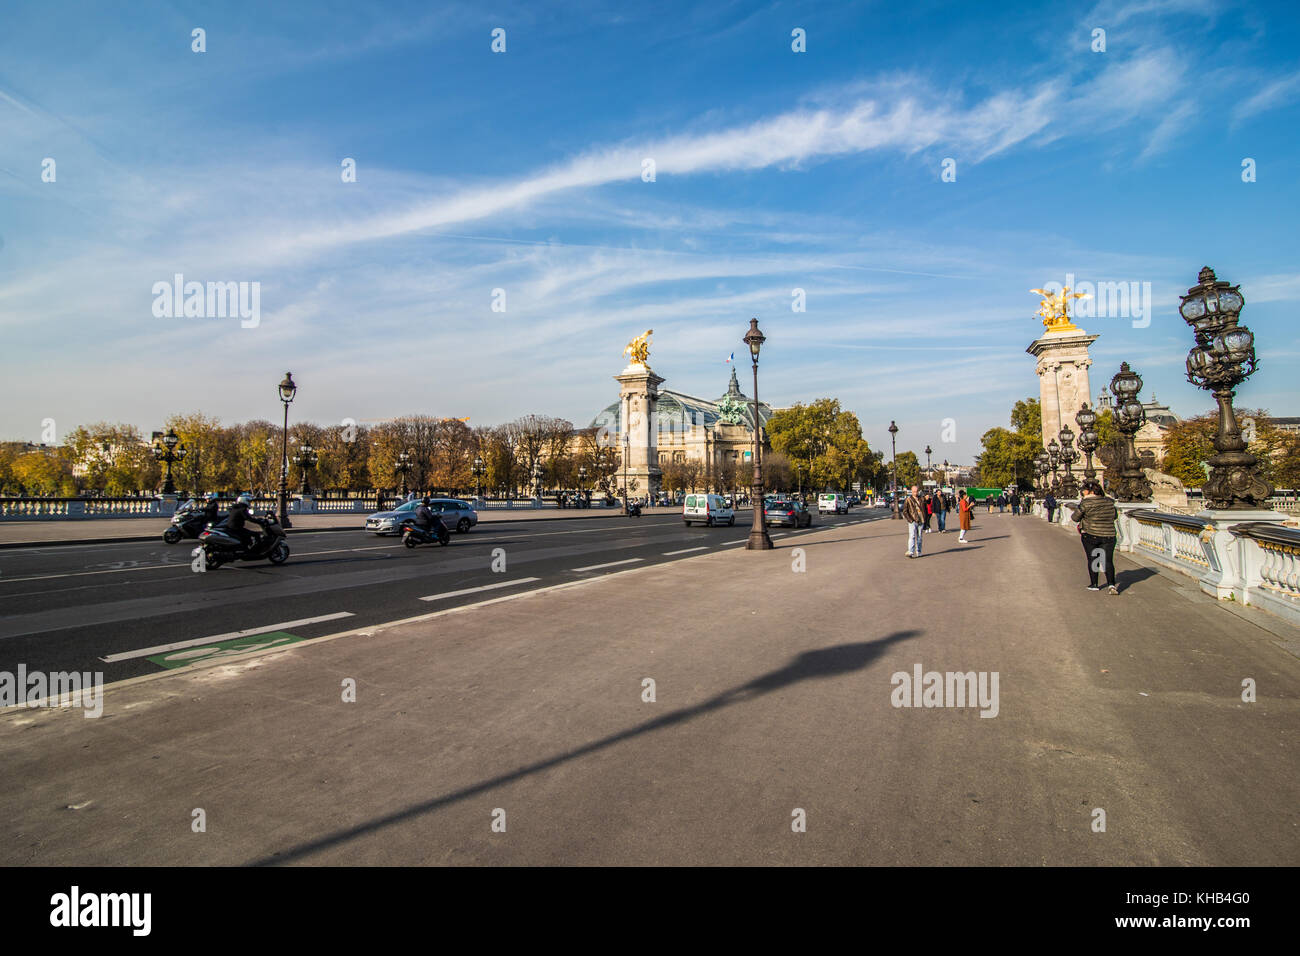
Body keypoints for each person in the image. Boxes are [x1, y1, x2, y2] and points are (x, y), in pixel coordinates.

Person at [1071, 480, 1120, 593]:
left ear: (1089, 491)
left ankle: (1094, 584)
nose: (1082, 492)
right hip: (1109, 535)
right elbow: (1114, 516)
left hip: (1091, 534)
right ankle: (1111, 585)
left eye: (1084, 490)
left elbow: (1075, 518)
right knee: (1108, 561)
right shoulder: (1109, 502)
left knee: (1093, 559)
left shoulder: (1086, 503)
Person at [902, 484, 925, 558]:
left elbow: (925, 509)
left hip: (921, 519)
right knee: (912, 536)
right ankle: (911, 551)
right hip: (913, 520)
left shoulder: (921, 499)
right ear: (911, 492)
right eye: (914, 491)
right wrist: (910, 520)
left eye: (916, 491)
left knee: (919, 537)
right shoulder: (908, 500)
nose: (915, 493)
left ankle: (919, 551)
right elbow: (905, 511)